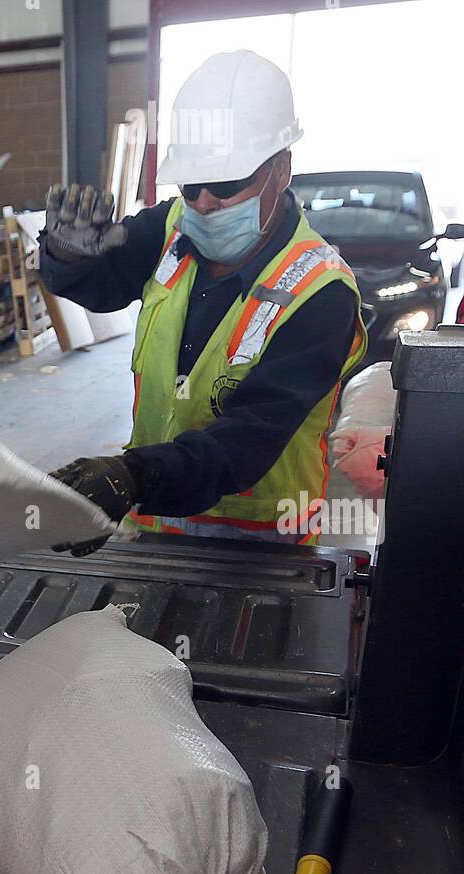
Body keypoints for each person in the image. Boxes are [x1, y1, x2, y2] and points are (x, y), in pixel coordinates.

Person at [41, 49, 366, 548]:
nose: (204, 201)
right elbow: (99, 287)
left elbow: (248, 439)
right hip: (153, 523)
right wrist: (68, 255)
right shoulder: (168, 228)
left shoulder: (320, 294)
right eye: (191, 184)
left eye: (227, 182)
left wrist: (133, 477)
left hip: (261, 546)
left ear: (281, 170)